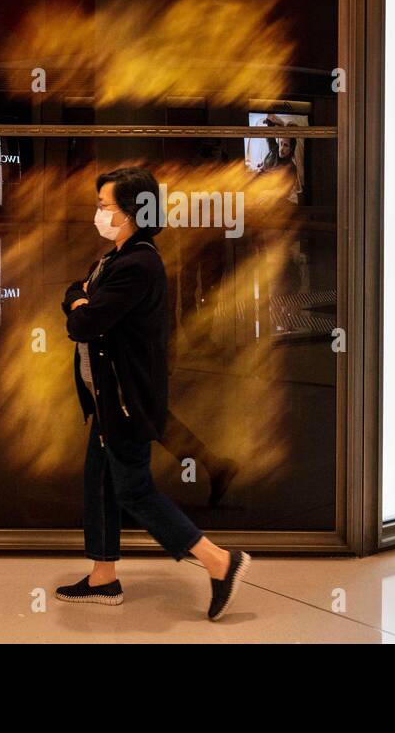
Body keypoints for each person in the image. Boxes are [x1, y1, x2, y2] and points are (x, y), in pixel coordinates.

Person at [55, 165, 251, 620]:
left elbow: (84, 322)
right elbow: (73, 293)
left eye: (105, 206)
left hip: (124, 401)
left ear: (130, 212)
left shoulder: (137, 264)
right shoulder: (114, 258)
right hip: (106, 399)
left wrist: (83, 304)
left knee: (135, 491)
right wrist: (80, 298)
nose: (99, 213)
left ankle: (220, 562)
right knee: (101, 484)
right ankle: (104, 578)